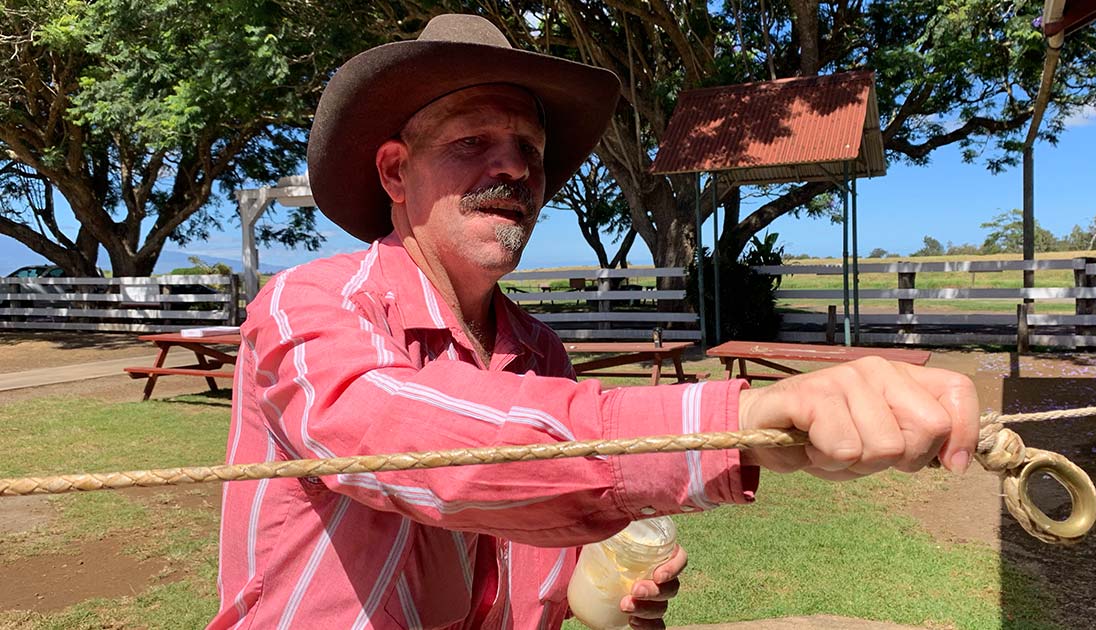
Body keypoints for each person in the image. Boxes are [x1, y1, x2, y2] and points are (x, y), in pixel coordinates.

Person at [210, 14, 979, 630]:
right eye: (472, 142)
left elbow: (523, 518)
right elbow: (403, 441)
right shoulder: (310, 302)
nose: (512, 170)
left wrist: (606, 584)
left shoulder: (538, 349)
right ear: (394, 172)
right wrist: (735, 417)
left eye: (529, 152)